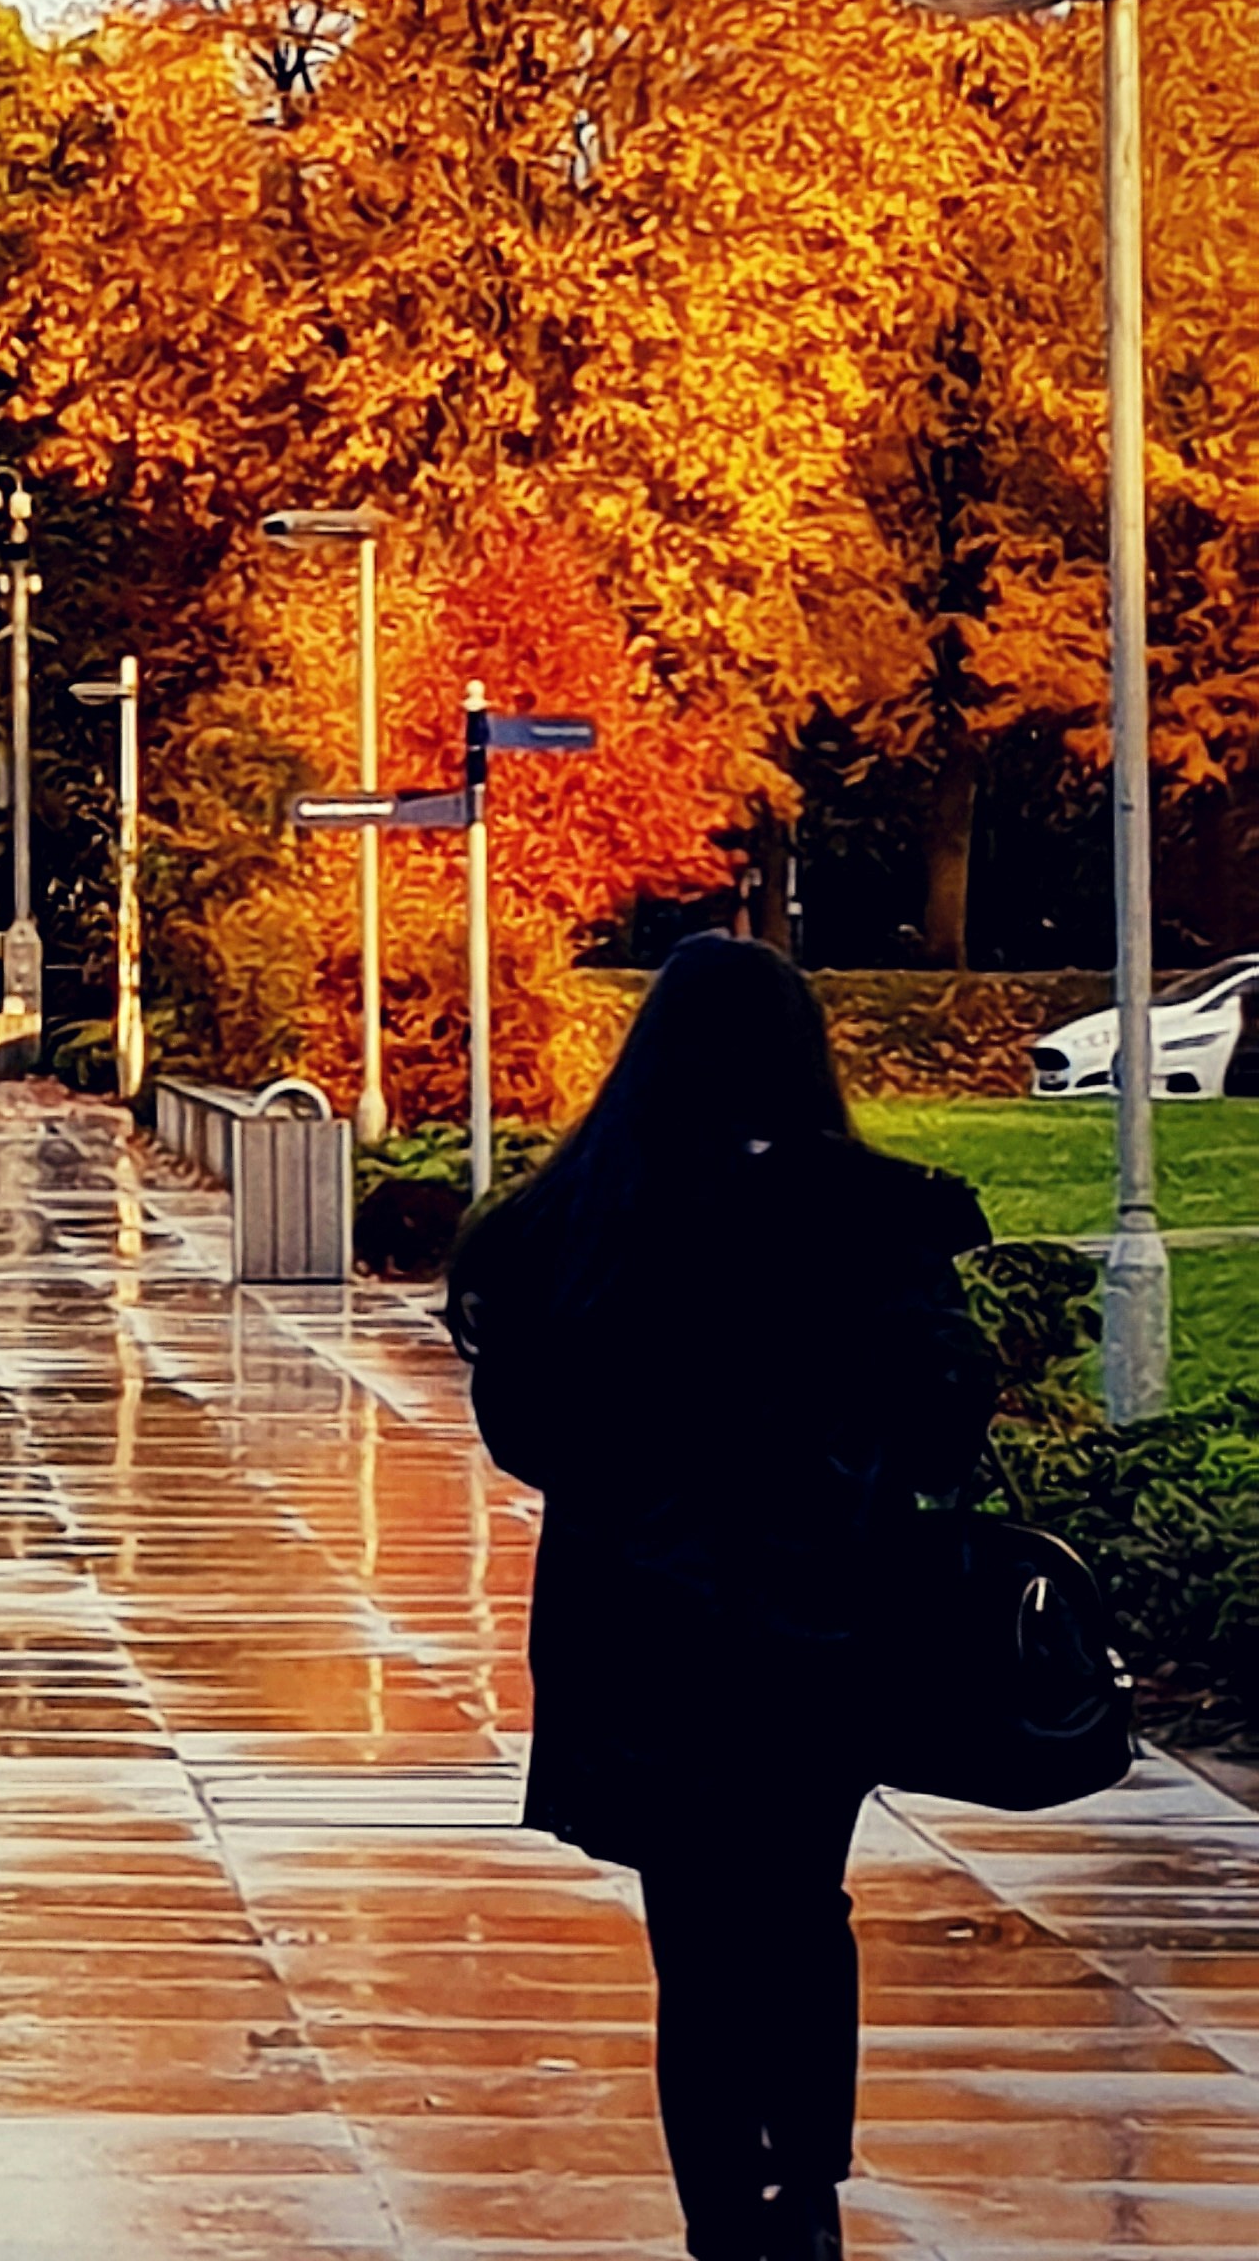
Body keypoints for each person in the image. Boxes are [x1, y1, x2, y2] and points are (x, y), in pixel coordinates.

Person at [443, 934, 997, 2261]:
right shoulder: (873, 1218)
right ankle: (805, 2186)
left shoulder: (574, 1222)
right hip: (819, 1613)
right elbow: (944, 1422)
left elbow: (523, 1430)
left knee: (692, 1931)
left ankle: (721, 2213)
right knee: (802, 1902)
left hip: (640, 1626)